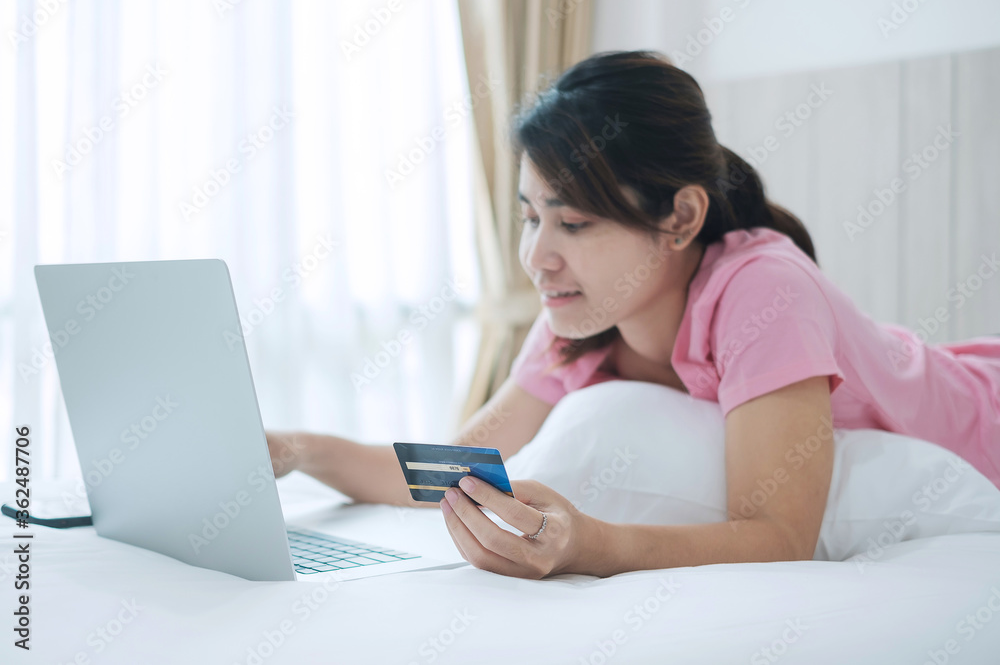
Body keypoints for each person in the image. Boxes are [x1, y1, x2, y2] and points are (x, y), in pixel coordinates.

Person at [266, 50, 1000, 580]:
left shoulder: (762, 288)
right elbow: (451, 469)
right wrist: (298, 452)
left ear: (681, 217)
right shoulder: (577, 320)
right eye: (529, 219)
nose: (537, 258)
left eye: (574, 224)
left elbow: (780, 537)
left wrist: (593, 545)